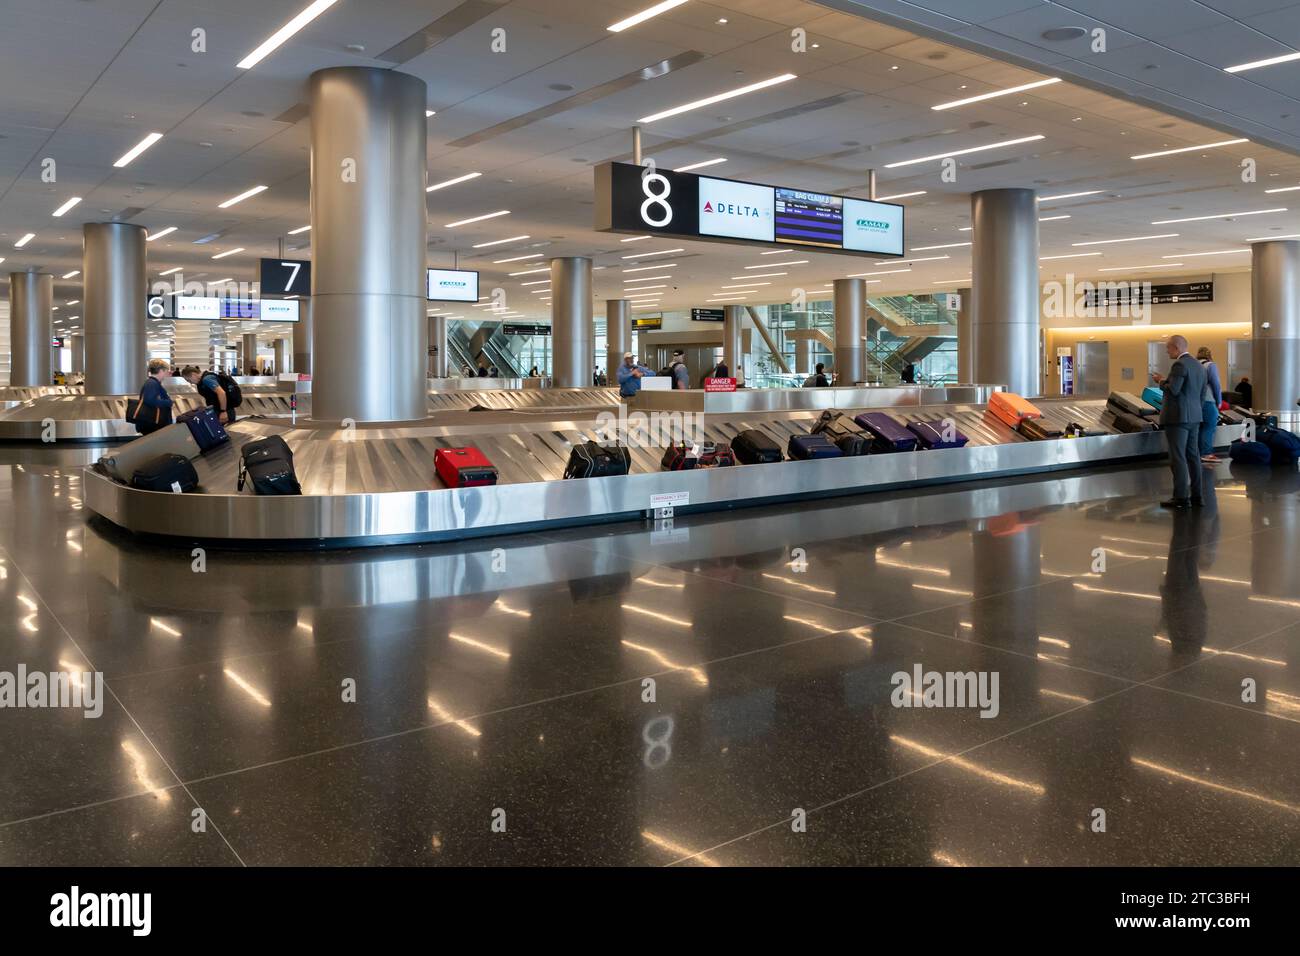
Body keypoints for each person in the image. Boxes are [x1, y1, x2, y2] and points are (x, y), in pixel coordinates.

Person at [1151, 334, 1207, 510]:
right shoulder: (1199, 365)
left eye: (1168, 348)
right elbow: (1202, 394)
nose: (1167, 352)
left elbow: (1173, 390)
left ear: (1176, 347)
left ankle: (1181, 497)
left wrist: (1161, 381)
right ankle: (1197, 496)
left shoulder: (1179, 364)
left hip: (1178, 419)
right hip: (1195, 417)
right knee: (1193, 456)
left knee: (1178, 457)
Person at [130, 358, 174, 434]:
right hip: (153, 424)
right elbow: (149, 400)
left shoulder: (152, 383)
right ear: (161, 371)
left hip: (153, 423)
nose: (167, 374)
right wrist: (168, 402)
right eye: (166, 371)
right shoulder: (152, 383)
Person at [1196, 346, 1223, 464]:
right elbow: (1216, 384)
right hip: (1208, 400)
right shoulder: (1210, 365)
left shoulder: (1193, 365)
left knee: (1198, 428)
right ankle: (1206, 453)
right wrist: (1219, 401)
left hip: (1194, 402)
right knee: (1209, 427)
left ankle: (1197, 453)